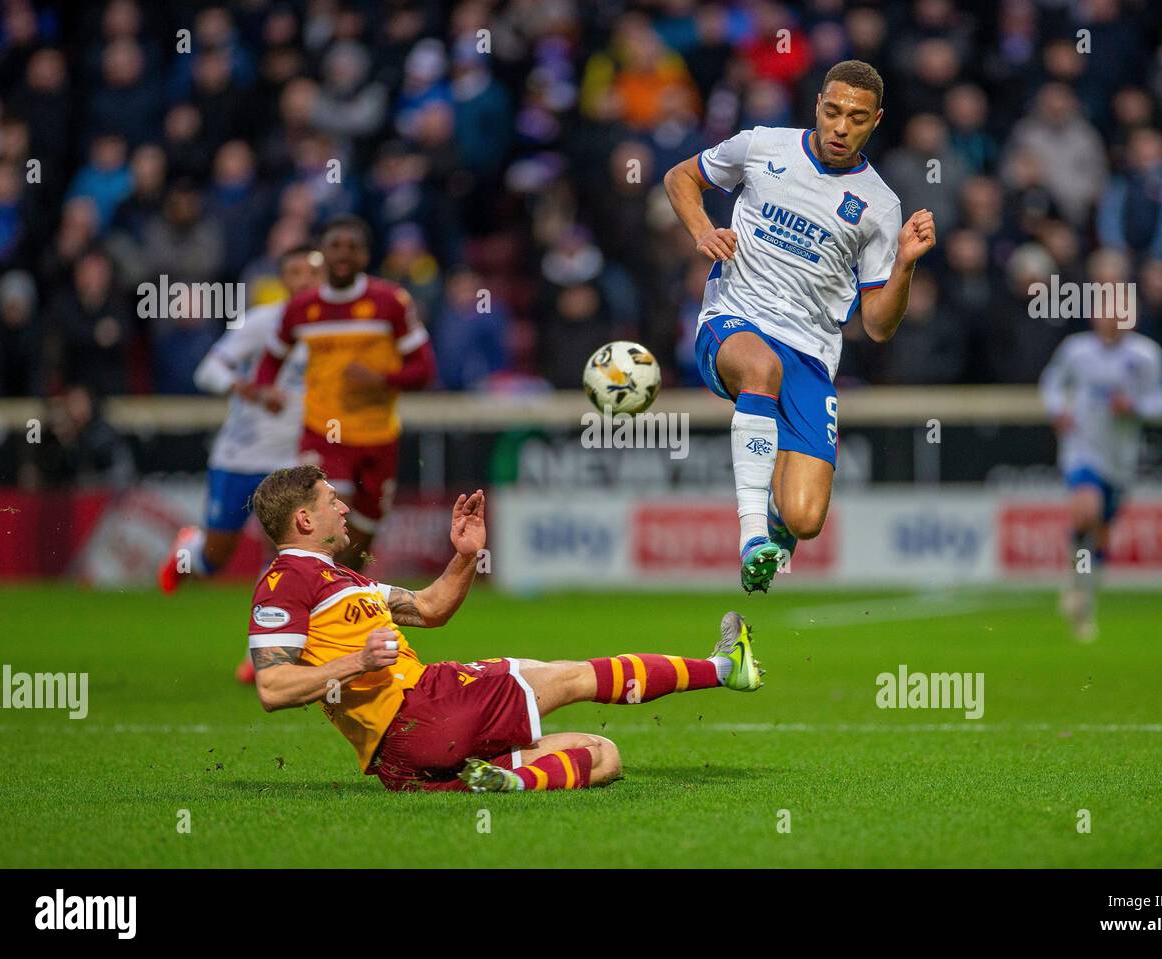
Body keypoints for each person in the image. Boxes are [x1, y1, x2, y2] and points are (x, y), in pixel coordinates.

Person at [246, 465, 764, 793]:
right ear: (304, 521)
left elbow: (430, 609)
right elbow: (272, 687)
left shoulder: (341, 578)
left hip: (404, 760)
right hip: (422, 710)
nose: (343, 507)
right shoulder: (286, 580)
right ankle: (723, 668)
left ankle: (506, 783)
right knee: (570, 676)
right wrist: (357, 662)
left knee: (603, 755)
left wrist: (465, 556)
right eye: (330, 500)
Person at [663, 59, 936, 593]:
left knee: (806, 518)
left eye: (855, 118)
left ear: (875, 121)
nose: (840, 126)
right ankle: (749, 538)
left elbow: (879, 326)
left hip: (810, 354)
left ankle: (776, 525)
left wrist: (904, 262)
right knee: (760, 367)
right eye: (832, 111)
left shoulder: (880, 206)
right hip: (733, 320)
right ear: (817, 105)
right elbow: (680, 177)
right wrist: (702, 230)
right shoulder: (761, 145)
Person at [158, 245, 323, 680]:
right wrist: (250, 390)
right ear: (284, 279)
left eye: (311, 273)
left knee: (289, 556)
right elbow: (207, 371)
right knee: (215, 559)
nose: (303, 281)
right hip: (240, 455)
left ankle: (266, 655)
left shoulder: (332, 330)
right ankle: (188, 550)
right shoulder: (263, 324)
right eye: (294, 272)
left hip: (293, 461)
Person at [252, 214, 436, 570]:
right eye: (334, 246)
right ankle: (296, 593)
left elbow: (424, 370)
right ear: (321, 254)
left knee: (362, 538)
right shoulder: (302, 309)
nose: (343, 254)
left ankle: (341, 600)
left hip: (378, 434)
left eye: (352, 248)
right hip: (323, 431)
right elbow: (271, 360)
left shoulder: (390, 302)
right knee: (326, 517)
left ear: (366, 256)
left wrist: (381, 379)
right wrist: (266, 391)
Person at [1039, 253, 1162, 640]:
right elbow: (1050, 383)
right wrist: (1056, 410)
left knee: (1099, 533)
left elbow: (1161, 404)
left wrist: (1135, 406)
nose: (1109, 319)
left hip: (1121, 457)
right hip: (1082, 447)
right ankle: (1075, 579)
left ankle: (1082, 596)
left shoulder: (1145, 355)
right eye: (1103, 312)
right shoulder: (1076, 350)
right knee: (1087, 509)